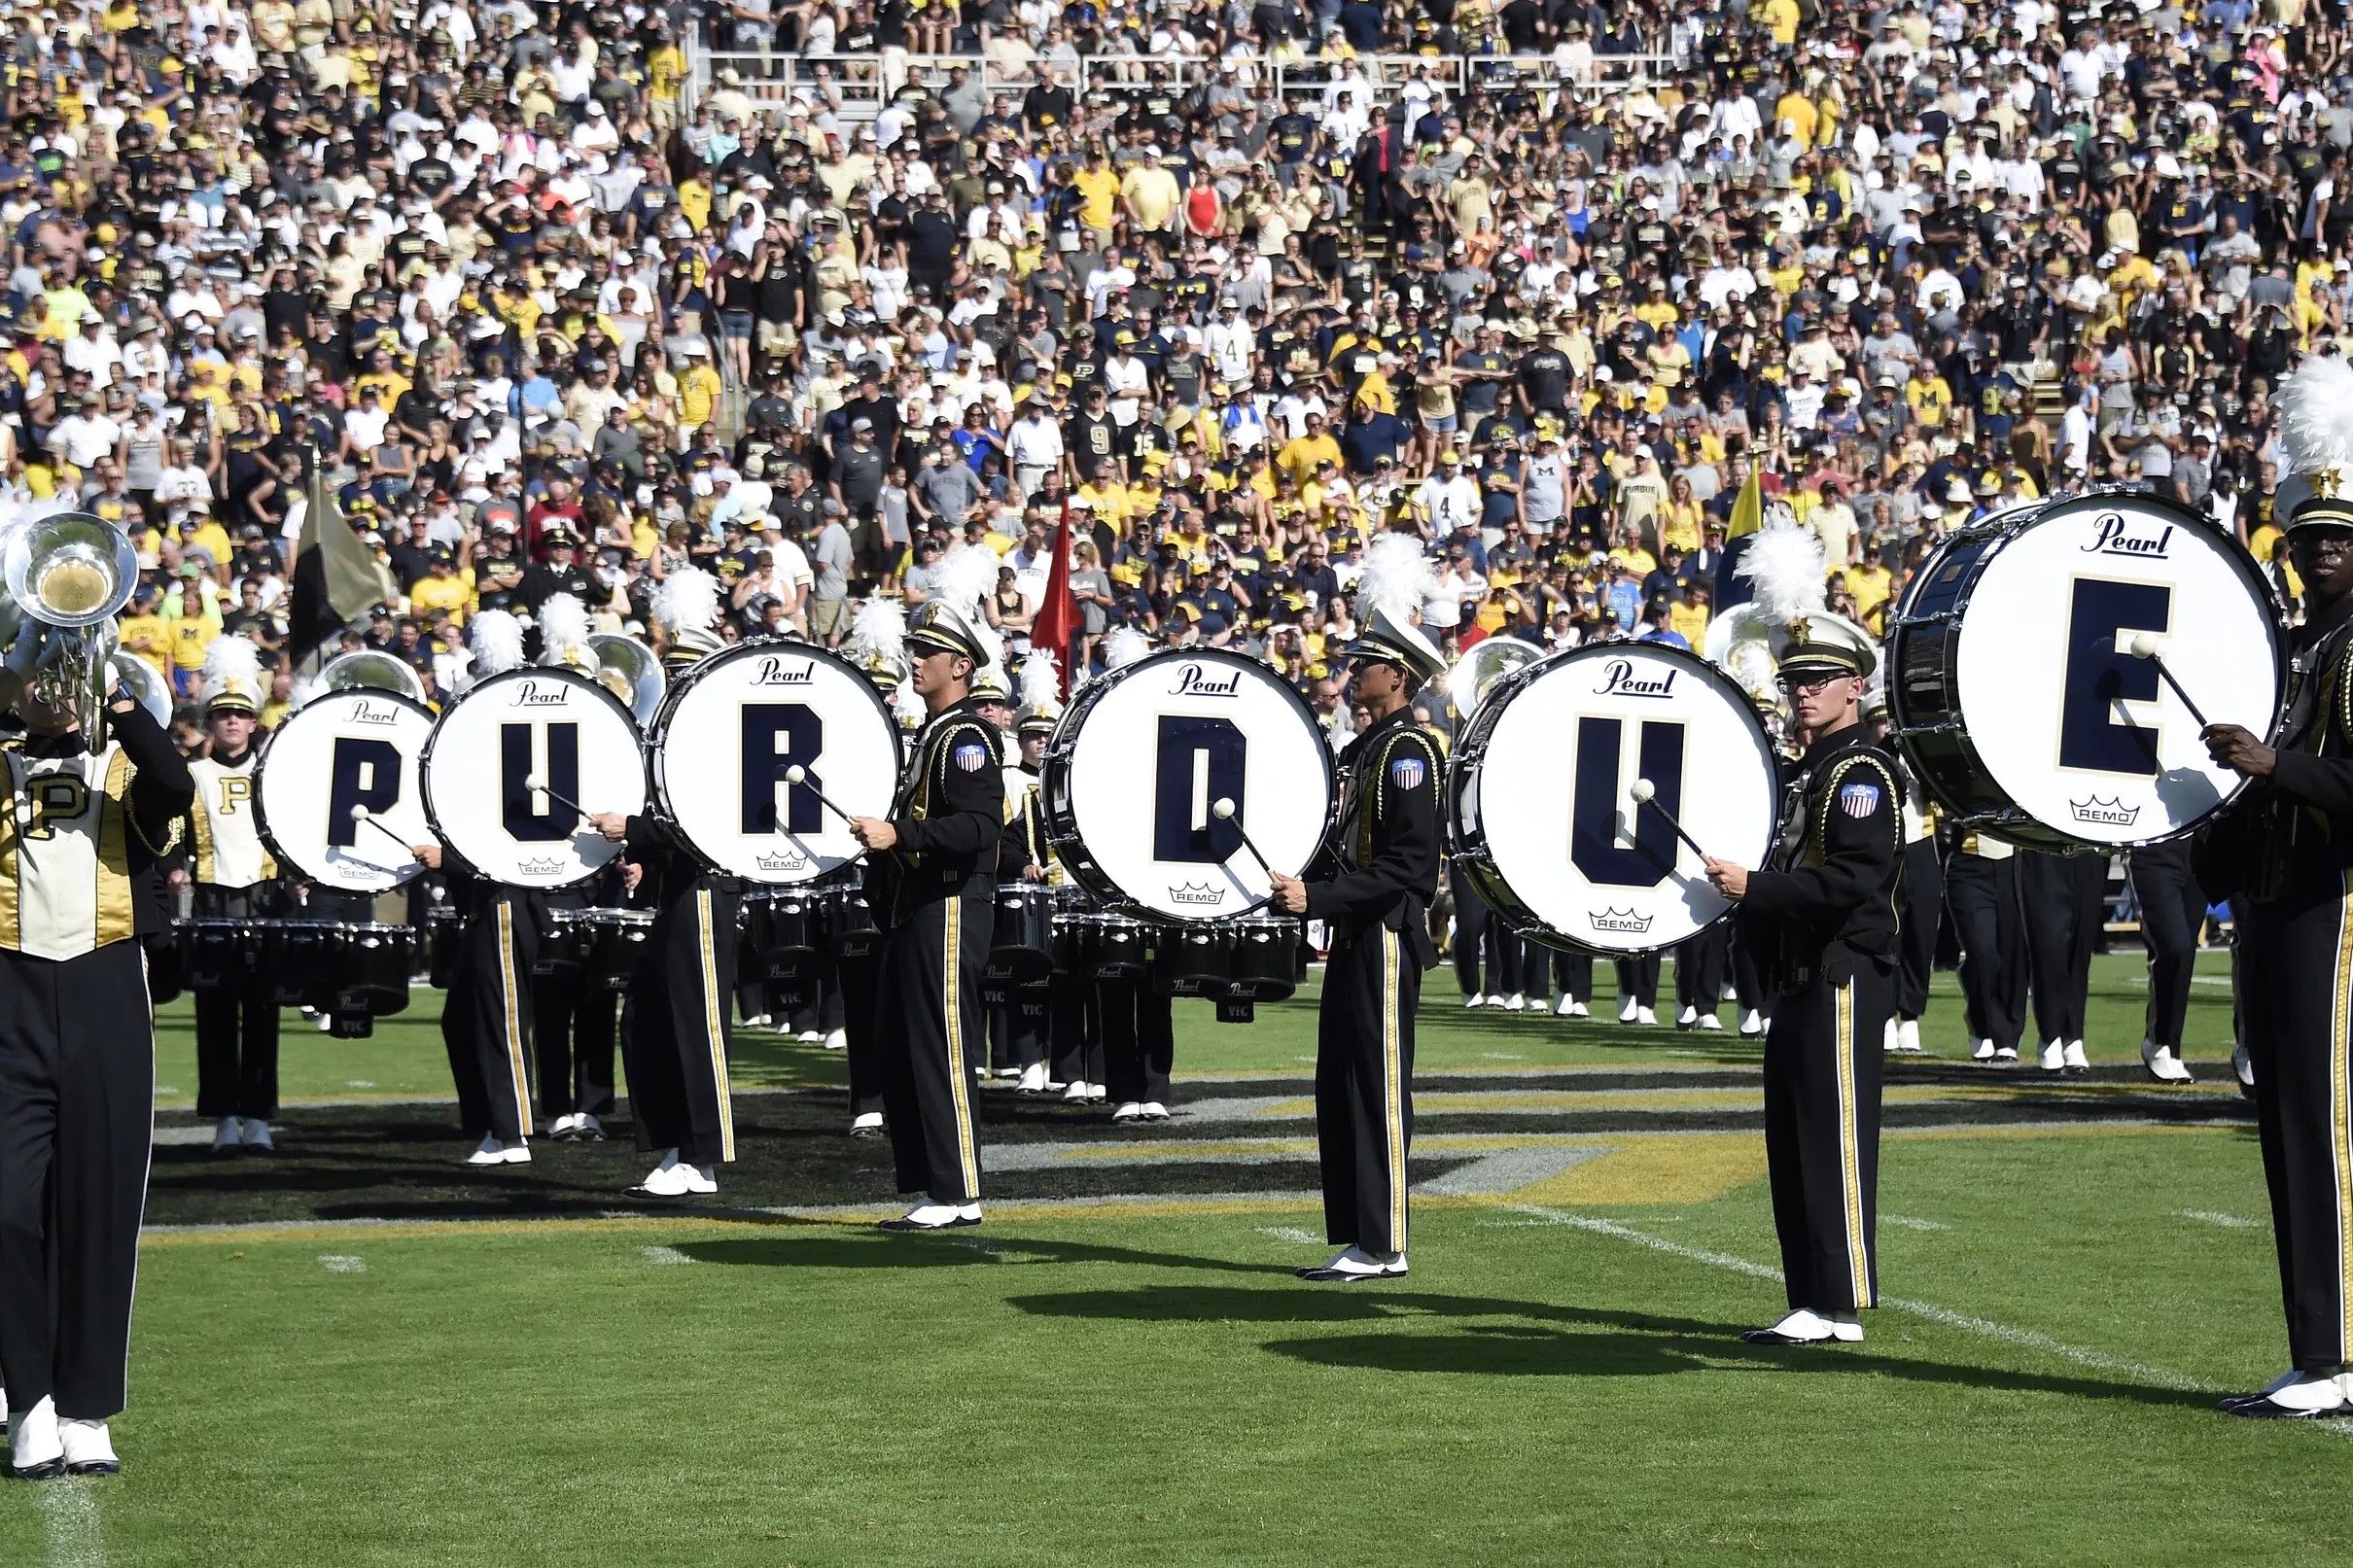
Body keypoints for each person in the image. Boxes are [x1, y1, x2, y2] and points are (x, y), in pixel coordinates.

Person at [0, 661, 193, 1480]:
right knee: (8, 1204)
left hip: (106, 986)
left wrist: (108, 696)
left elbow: (176, 784)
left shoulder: (124, 765)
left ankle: (83, 1404)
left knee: (100, 1204)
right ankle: (28, 1396)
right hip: (6, 986)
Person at [2200, 445, 2353, 1416]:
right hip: (2279, 902)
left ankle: (2333, 1354)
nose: (2320, 550)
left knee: (2321, 1124)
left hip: (2334, 906)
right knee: (2288, 1124)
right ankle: (2315, 1349)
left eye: (2338, 538)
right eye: (2306, 538)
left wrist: (2270, 767)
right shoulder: (2300, 648)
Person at [1704, 614, 1901, 1345]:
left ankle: (1839, 1299)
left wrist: (1755, 888)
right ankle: (1810, 1296)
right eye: (1794, 681)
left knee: (1834, 1135)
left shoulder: (1863, 772)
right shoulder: (1809, 771)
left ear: (1856, 687)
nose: (1804, 691)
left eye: (1819, 680)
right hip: (1801, 972)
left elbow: (1853, 879)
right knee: (1792, 1139)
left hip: (1842, 969)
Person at [1271, 545, 1445, 1283]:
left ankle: (1387, 1240)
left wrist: (1322, 897)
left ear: (1396, 675)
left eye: (1362, 664)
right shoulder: (1362, 750)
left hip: (1383, 939)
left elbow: (1409, 866)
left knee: (1376, 1085)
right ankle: (1357, 1234)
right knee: (1338, 1084)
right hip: (1351, 934)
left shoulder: (1408, 752)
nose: (1349, 675)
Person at [849, 594, 1006, 1230]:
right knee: (907, 1047)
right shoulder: (933, 736)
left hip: (948, 906)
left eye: (928, 652)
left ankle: (960, 1188)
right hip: (918, 906)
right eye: (914, 650)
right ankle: (936, 1185)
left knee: (942, 1046)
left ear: (961, 664)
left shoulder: (966, 737)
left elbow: (980, 826)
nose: (915, 660)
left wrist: (900, 837)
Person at [593, 573, 737, 1199]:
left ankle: (701, 1156)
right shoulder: (676, 736)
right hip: (678, 885)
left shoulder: (712, 735)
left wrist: (636, 831)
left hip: (707, 887)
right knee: (649, 1017)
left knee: (698, 1023)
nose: (677, 683)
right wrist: (646, 857)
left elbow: (706, 819)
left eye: (686, 670)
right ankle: (674, 1144)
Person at [184, 636, 284, 1152]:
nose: (230, 723)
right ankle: (224, 1116)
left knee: (263, 1010)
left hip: (263, 898)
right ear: (210, 722)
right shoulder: (192, 773)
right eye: (221, 715)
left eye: (239, 715)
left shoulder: (274, 772)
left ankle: (259, 1116)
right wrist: (175, 870)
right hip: (213, 898)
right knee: (216, 1013)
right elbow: (169, 835)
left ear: (253, 723)